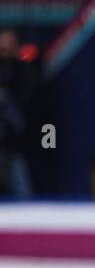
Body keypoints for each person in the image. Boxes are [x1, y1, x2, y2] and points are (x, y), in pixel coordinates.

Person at [0, 27, 36, 199]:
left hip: (14, 147)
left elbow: (25, 115)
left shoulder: (24, 71)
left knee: (24, 197)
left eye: (10, 43)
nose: (6, 49)